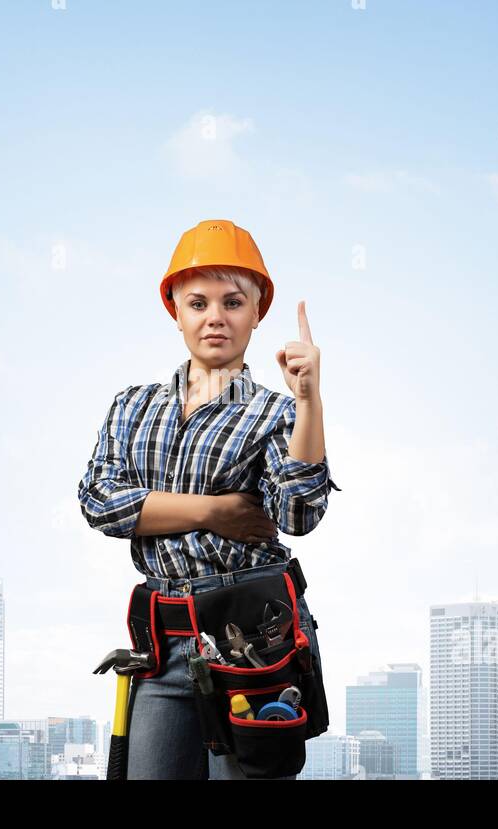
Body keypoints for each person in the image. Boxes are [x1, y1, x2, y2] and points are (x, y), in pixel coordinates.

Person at [77, 219, 340, 779]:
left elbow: (298, 513)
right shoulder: (132, 407)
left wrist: (310, 400)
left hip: (253, 636)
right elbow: (101, 503)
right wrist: (217, 512)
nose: (215, 316)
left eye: (233, 301)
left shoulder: (278, 413)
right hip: (164, 637)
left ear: (257, 312)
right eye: (198, 302)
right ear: (175, 308)